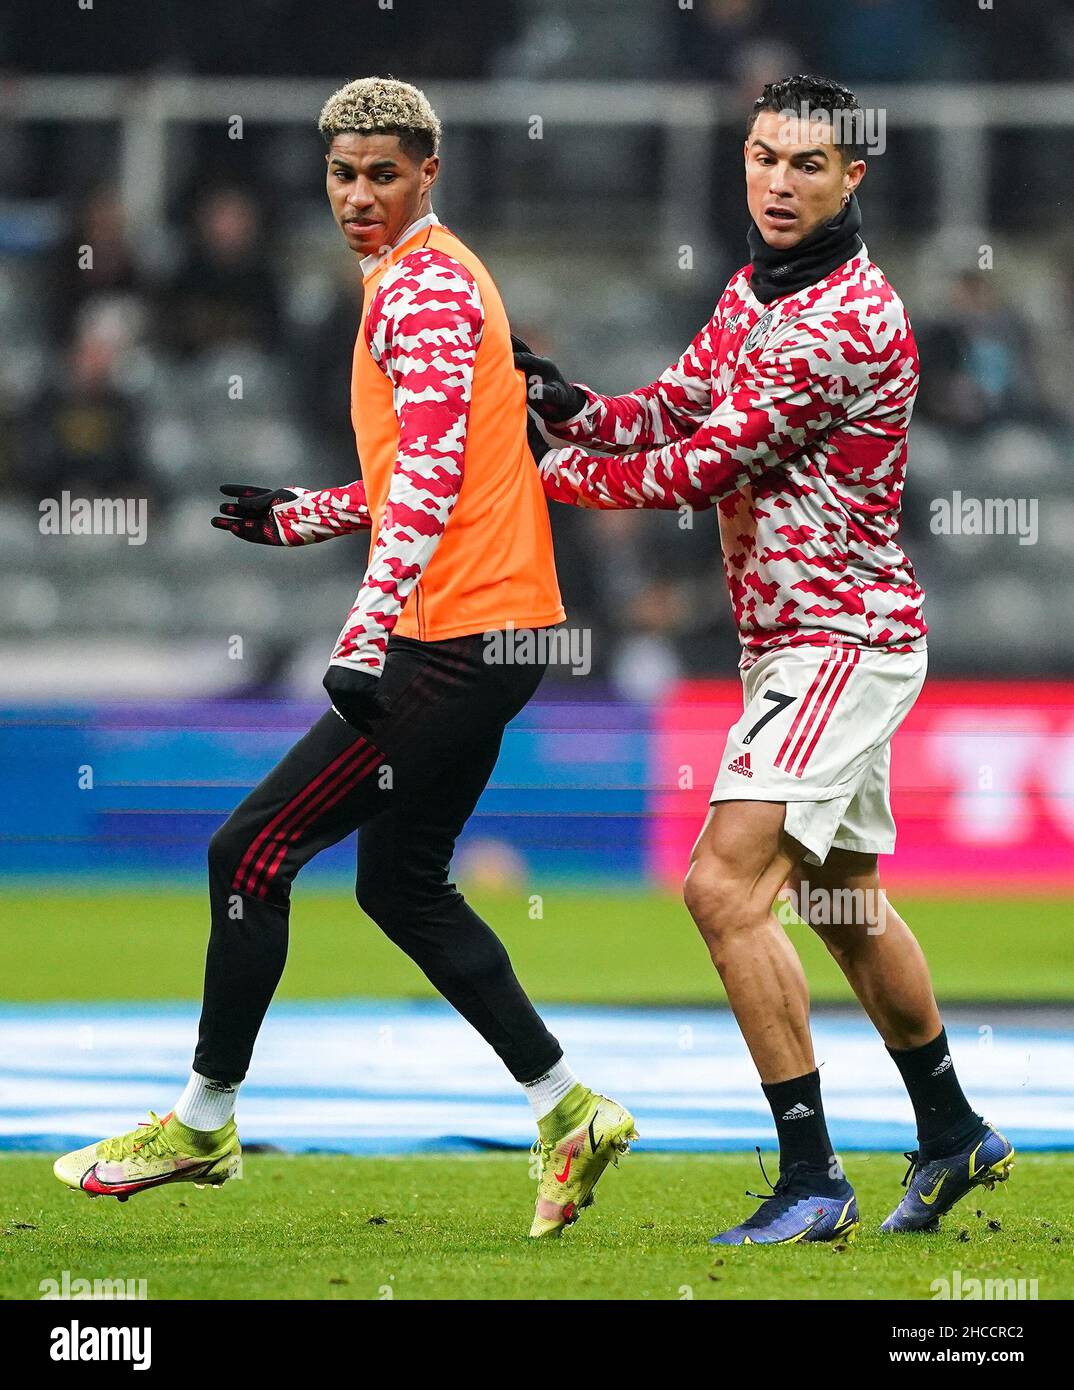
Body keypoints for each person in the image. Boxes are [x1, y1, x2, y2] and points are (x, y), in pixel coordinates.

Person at [53, 77, 635, 1239]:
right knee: (398, 882)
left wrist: (363, 630)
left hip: (448, 633)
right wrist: (312, 512)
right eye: (340, 174)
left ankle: (203, 1122)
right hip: (499, 624)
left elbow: (425, 480)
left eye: (381, 173)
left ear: (428, 173)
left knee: (249, 849)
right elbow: (445, 465)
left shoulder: (417, 285)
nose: (357, 196)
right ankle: (569, 1108)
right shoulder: (437, 274)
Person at [518, 75, 1013, 1244]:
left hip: (839, 641)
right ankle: (953, 1132)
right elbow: (675, 407)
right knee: (843, 904)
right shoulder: (758, 288)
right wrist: (570, 404)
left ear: (854, 177)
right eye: (761, 158)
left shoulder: (845, 318)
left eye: (805, 164)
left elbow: (702, 465)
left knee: (721, 887)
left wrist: (533, 476)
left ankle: (811, 1177)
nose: (778, 183)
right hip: (810, 642)